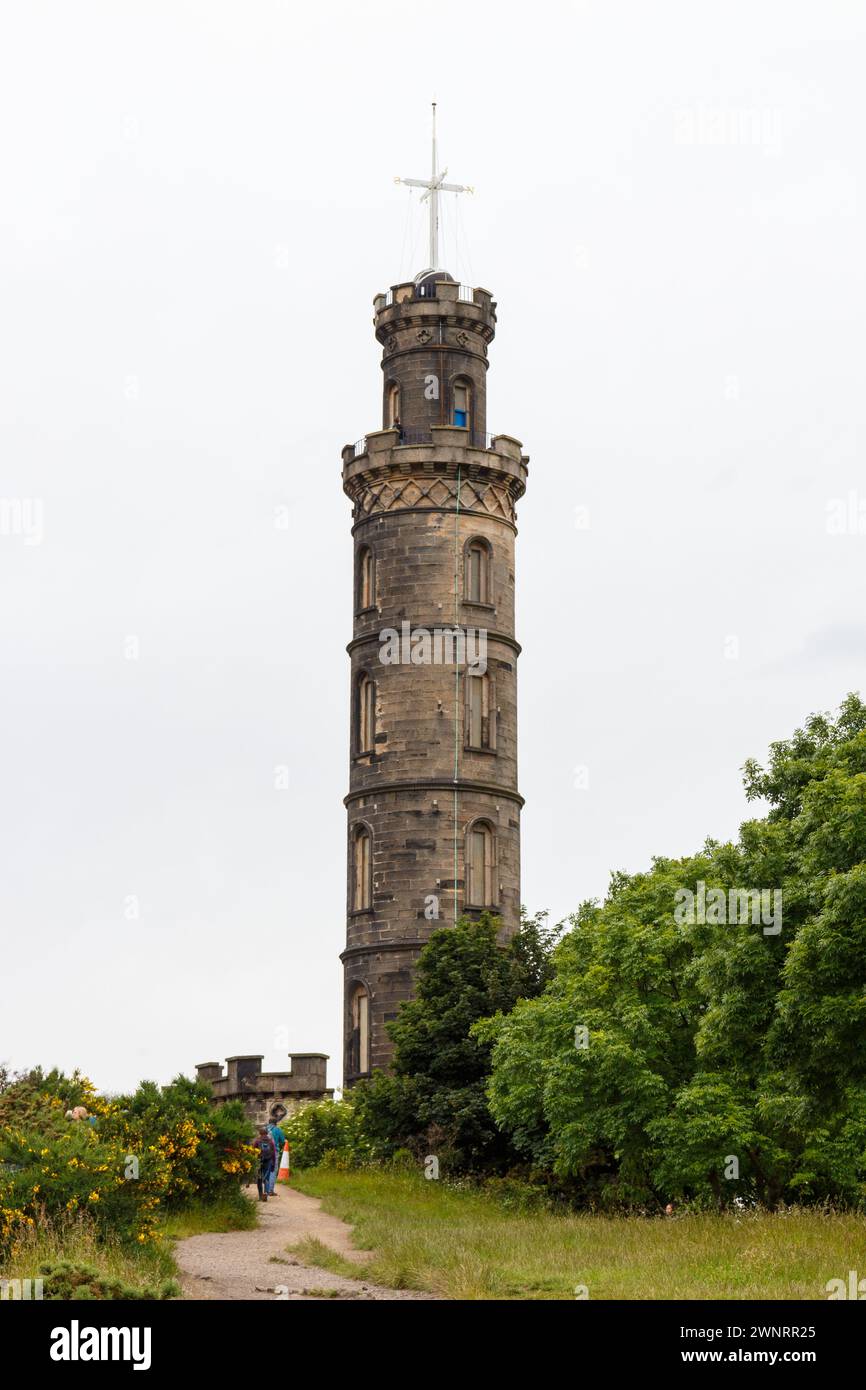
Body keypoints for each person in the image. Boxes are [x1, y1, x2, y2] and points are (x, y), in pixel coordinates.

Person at [251, 1125, 277, 1202]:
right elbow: (274, 1154)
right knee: (267, 1178)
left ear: (259, 1133)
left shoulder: (257, 1141)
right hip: (268, 1161)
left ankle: (260, 1196)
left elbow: (252, 1152)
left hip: (259, 1161)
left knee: (259, 1178)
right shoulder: (271, 1141)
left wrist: (252, 1163)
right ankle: (265, 1193)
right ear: (267, 1132)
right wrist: (273, 1164)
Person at [267, 1119, 286, 1195]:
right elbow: (282, 1140)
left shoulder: (264, 1129)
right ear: (276, 1123)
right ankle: (270, 1190)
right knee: (273, 1170)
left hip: (264, 1153)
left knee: (266, 1170)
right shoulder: (277, 1130)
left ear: (269, 1123)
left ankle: (265, 1189)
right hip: (274, 1152)